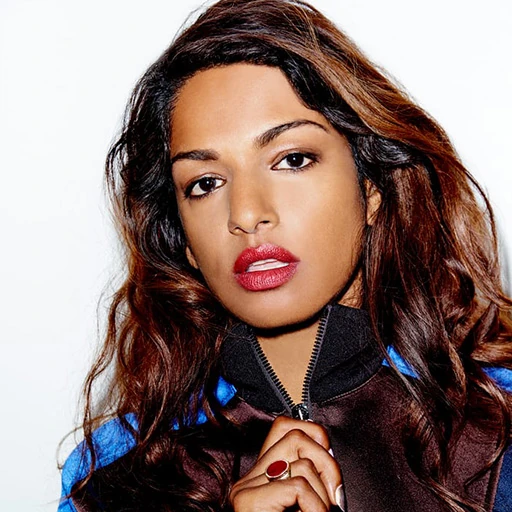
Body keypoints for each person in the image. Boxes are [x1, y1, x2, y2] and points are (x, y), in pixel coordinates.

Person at [58, 0, 512, 510]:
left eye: (292, 159)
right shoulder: (112, 481)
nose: (247, 214)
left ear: (371, 188)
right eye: (205, 183)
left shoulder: (499, 435)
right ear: (183, 238)